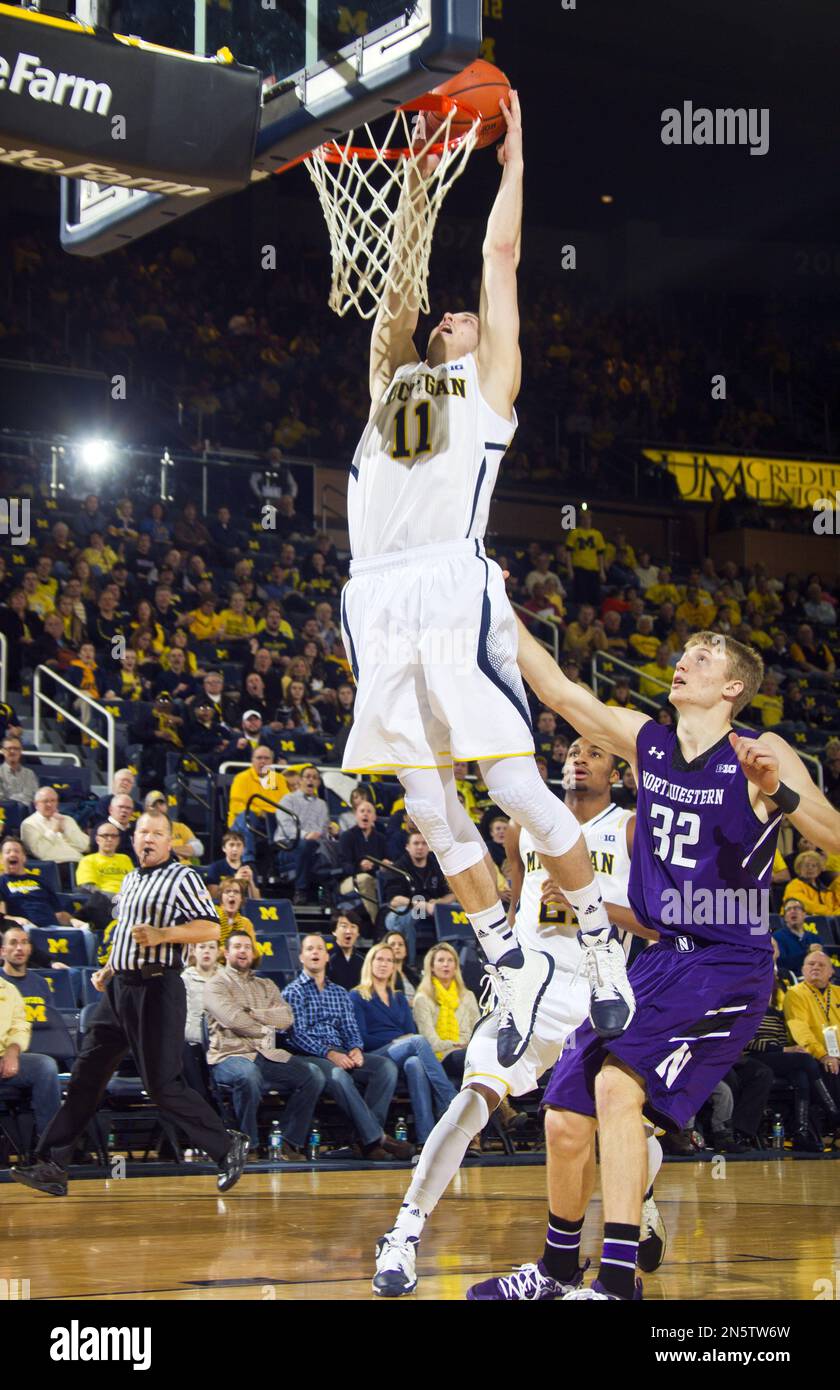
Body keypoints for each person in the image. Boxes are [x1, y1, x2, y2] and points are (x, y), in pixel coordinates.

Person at [339, 90, 626, 1069]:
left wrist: (513, 159)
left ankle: (597, 940)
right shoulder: (392, 386)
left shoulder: (489, 387)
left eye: (466, 317)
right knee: (427, 803)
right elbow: (397, 290)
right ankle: (506, 960)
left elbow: (499, 257)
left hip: (448, 583)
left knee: (510, 784)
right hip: (373, 594)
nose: (454, 315)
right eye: (446, 315)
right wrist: (417, 182)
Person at [509, 619, 840, 1298]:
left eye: (703, 656)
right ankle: (557, 1270)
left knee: (616, 1087)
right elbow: (558, 689)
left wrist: (778, 792)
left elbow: (834, 836)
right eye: (684, 653)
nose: (683, 661)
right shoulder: (647, 740)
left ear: (733, 687)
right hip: (659, 960)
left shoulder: (760, 749)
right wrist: (490, 596)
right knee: (564, 1111)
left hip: (727, 962)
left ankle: (618, 1280)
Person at [374, 737, 662, 1298]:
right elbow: (513, 903)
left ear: (615, 773)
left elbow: (659, 923)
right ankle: (404, 1233)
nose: (578, 759)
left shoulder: (630, 829)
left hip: (599, 990)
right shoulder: (523, 824)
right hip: (530, 990)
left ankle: (641, 1200)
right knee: (473, 1098)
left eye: (594, 753)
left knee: (623, 1130)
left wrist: (589, 904)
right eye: (572, 750)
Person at [10, 809, 248, 1197]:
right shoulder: (132, 878)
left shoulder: (183, 877)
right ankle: (51, 1164)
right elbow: (126, 932)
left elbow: (210, 927)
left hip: (158, 988)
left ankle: (226, 1145)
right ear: (133, 839)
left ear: (169, 841)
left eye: (156, 833)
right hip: (120, 989)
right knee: (87, 1075)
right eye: (142, 833)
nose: (148, 838)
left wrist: (163, 935)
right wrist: (109, 968)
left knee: (162, 1086)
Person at [282, 934, 412, 1161]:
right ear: (301, 957)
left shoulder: (339, 993)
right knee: (339, 1076)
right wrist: (329, 1053)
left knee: (385, 1068)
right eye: (309, 949)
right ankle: (378, 1139)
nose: (315, 952)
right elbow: (297, 1035)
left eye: (319, 949)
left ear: (326, 957)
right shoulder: (292, 992)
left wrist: (356, 1049)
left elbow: (350, 1028)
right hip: (309, 1055)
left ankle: (363, 1140)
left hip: (341, 1052)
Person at [205, 930, 324, 1160]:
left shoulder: (266, 984)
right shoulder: (216, 984)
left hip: (266, 1054)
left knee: (314, 1075)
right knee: (248, 1075)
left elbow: (286, 1019)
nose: (243, 951)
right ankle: (248, 1145)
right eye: (237, 947)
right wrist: (265, 1027)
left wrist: (252, 1012)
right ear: (226, 953)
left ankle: (287, 1141)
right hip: (229, 1056)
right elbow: (233, 1020)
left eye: (247, 947)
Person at [351, 942, 457, 1144]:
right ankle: (449, 1099)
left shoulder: (399, 997)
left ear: (394, 966)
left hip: (403, 1051)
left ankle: (426, 1139)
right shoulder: (357, 995)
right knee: (417, 1041)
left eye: (389, 960)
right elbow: (362, 1038)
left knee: (415, 1063)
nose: (384, 964)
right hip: (375, 1055)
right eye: (379, 959)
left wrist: (403, 1041)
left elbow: (409, 1030)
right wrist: (394, 1041)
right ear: (370, 963)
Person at [745, 939, 835, 1151]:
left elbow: (782, 1035)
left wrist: (786, 1048)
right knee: (806, 1061)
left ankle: (801, 1133)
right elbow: (746, 1042)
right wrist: (785, 1050)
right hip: (755, 1054)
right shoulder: (746, 1007)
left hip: (780, 1053)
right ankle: (834, 1114)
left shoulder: (778, 1003)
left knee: (801, 1074)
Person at [0, 927, 63, 1143]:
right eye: (13, 943)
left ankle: (49, 1145)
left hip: (8, 1059)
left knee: (45, 1066)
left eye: (24, 942)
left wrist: (12, 1051)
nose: (19, 948)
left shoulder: (9, 990)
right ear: (2, 951)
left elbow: (20, 1025)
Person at [379, 830, 454, 966]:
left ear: (429, 847)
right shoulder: (399, 867)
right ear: (408, 847)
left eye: (424, 843)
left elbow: (451, 894)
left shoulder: (436, 865)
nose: (420, 847)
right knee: (407, 917)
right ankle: (409, 965)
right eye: (416, 843)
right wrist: (423, 905)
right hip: (405, 909)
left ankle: (453, 963)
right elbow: (394, 900)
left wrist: (440, 902)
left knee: (455, 912)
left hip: (432, 910)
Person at [783, 949, 840, 1125]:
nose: (815, 967)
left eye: (821, 965)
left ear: (831, 972)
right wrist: (823, 1055)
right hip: (815, 1055)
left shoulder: (838, 992)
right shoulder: (795, 994)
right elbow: (800, 1030)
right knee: (830, 1068)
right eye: (811, 964)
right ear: (803, 970)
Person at [411, 944, 480, 1086]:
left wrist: (468, 1045)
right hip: (441, 1056)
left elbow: (478, 1030)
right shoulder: (423, 998)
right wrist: (456, 1044)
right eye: (441, 960)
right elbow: (430, 1042)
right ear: (431, 967)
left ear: (456, 966)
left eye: (450, 960)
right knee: (476, 1059)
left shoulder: (468, 996)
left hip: (469, 1050)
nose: (446, 965)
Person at [275, 764, 330, 905]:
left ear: (318, 782)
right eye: (307, 777)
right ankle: (301, 890)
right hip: (289, 844)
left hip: (314, 843)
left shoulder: (322, 805)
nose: (311, 780)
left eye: (315, 777)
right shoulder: (288, 799)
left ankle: (329, 892)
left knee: (330, 848)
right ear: (300, 780)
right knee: (306, 845)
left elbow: (323, 829)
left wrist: (317, 835)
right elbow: (286, 826)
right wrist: (305, 835)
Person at [181, 936, 221, 1101]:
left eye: (211, 947)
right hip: (194, 1044)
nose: (206, 951)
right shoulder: (184, 979)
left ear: (218, 952)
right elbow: (184, 1021)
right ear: (193, 951)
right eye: (202, 947)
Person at [21, 786, 90, 866]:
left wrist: (65, 832)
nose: (49, 804)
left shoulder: (67, 819)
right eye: (45, 801)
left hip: (80, 862)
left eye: (53, 801)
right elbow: (39, 852)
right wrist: (53, 831)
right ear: (36, 804)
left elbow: (85, 847)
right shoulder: (29, 824)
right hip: (56, 866)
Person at [773, 897, 821, 977]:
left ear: (804, 914)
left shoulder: (814, 937)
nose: (793, 911)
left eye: (796, 908)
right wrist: (807, 953)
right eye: (788, 909)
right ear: (785, 917)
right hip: (793, 979)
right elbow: (781, 963)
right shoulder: (777, 937)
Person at [782, 850, 840, 916]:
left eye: (814, 866)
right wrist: (831, 914)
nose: (810, 868)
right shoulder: (794, 885)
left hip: (825, 919)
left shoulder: (825, 890)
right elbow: (805, 905)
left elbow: (835, 906)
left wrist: (835, 914)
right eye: (806, 865)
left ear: (819, 869)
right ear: (799, 868)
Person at [216, 877, 260, 957]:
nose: (232, 894)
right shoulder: (212, 920)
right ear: (221, 897)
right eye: (227, 891)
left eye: (236, 892)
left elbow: (254, 953)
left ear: (241, 899)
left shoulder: (246, 923)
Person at [326, 909, 366, 991]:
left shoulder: (364, 959)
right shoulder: (326, 957)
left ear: (358, 933)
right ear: (334, 931)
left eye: (353, 926)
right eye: (344, 926)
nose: (348, 931)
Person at [0, 737, 39, 807]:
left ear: (21, 751)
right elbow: (2, 799)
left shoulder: (29, 773)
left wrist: (11, 798)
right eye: (9, 748)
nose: (12, 751)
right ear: (2, 750)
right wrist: (22, 801)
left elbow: (35, 796)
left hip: (29, 810)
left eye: (16, 749)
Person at [384, 930, 420, 1003]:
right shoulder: (383, 974)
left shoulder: (412, 975)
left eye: (400, 944)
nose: (397, 947)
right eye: (392, 944)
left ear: (406, 951)